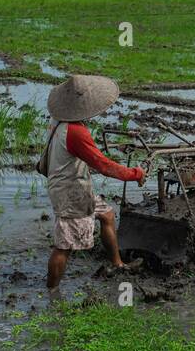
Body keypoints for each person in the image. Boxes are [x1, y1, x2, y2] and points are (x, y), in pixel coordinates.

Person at [40, 74, 145, 288]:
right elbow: (104, 166)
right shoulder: (76, 132)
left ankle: (117, 264)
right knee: (64, 245)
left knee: (106, 215)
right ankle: (51, 292)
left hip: (71, 185)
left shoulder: (57, 121)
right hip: (71, 192)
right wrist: (135, 174)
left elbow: (83, 154)